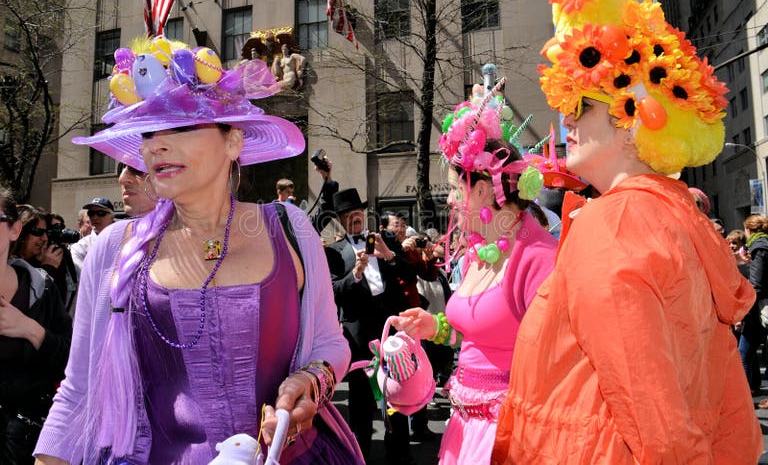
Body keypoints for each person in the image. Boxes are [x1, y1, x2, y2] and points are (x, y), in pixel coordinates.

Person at [33, 39, 362, 465]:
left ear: (233, 142)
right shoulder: (114, 249)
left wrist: (310, 382)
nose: (155, 146)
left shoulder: (290, 228)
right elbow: (79, 390)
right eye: (149, 132)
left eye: (181, 127)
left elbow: (328, 343)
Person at [492, 0, 762, 463]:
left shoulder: (614, 226)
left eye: (582, 104)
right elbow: (721, 398)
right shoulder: (670, 214)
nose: (566, 118)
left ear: (632, 123)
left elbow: (656, 426)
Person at [394, 82, 558, 464]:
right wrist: (434, 328)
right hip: (464, 426)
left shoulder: (539, 259)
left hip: (511, 436)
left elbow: (556, 365)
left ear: (483, 190)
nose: (450, 200)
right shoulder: (478, 254)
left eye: (454, 190)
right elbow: (481, 333)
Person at [324, 188, 414, 463]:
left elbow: (410, 274)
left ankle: (399, 455)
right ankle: (360, 456)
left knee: (396, 393)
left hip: (389, 327)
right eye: (348, 216)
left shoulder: (384, 238)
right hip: (359, 333)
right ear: (340, 219)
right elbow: (334, 290)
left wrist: (389, 256)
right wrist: (356, 274)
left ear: (363, 214)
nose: (355, 219)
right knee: (361, 402)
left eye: (358, 213)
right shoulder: (335, 252)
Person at [0, 188, 72, 465]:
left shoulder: (42, 288)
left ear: (15, 229)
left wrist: (31, 330)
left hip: (28, 442)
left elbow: (71, 364)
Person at [742, 215, 768, 400]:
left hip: (758, 307)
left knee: (743, 353)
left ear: (749, 230)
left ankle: (741, 401)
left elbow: (756, 284)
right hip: (759, 306)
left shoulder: (758, 248)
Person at [69, 197, 115, 270]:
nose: (95, 217)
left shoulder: (125, 240)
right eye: (91, 213)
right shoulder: (80, 247)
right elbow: (84, 275)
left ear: (112, 217)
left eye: (101, 213)